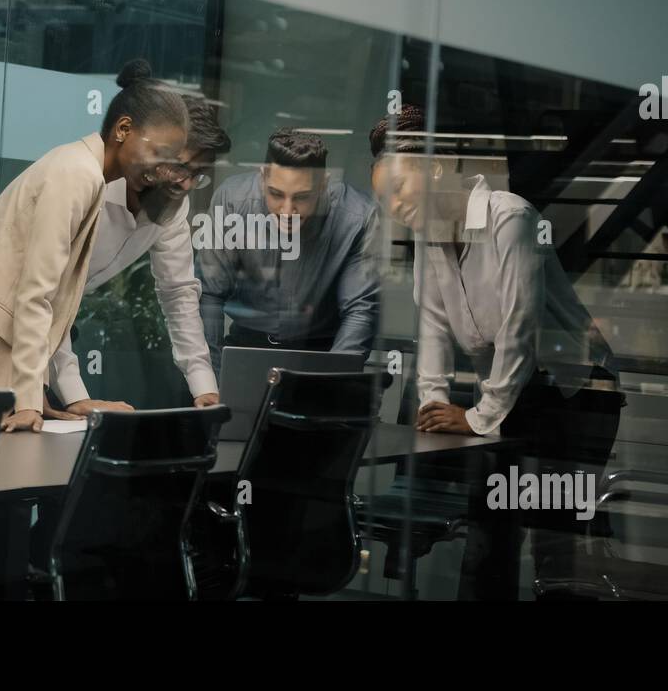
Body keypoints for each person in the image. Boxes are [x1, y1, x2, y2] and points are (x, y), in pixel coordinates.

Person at [373, 135, 622, 600]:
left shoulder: (509, 217)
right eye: (385, 199)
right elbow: (431, 327)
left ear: (437, 170)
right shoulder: (432, 237)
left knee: (554, 534)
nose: (394, 205)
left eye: (399, 188)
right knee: (490, 529)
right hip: (514, 390)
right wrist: (434, 402)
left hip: (575, 390)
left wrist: (478, 416)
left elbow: (519, 328)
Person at [0, 59, 190, 433]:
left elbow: (56, 300)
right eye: (158, 153)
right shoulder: (75, 174)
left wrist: (41, 394)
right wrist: (28, 400)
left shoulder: (88, 175)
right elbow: (36, 295)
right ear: (123, 129)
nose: (162, 170)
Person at [44, 94, 231, 417]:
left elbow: (178, 292)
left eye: (196, 175)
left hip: (52, 331)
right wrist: (75, 395)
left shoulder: (172, 205)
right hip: (11, 326)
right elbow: (48, 295)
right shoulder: (87, 185)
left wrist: (204, 386)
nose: (185, 184)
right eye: (180, 167)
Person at [196, 128, 380, 374]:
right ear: (263, 178)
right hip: (246, 347)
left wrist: (336, 382)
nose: (287, 210)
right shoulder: (232, 201)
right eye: (276, 194)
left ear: (323, 184)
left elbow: (360, 309)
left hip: (322, 350)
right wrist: (211, 376)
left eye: (302, 197)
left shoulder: (357, 216)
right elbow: (209, 295)